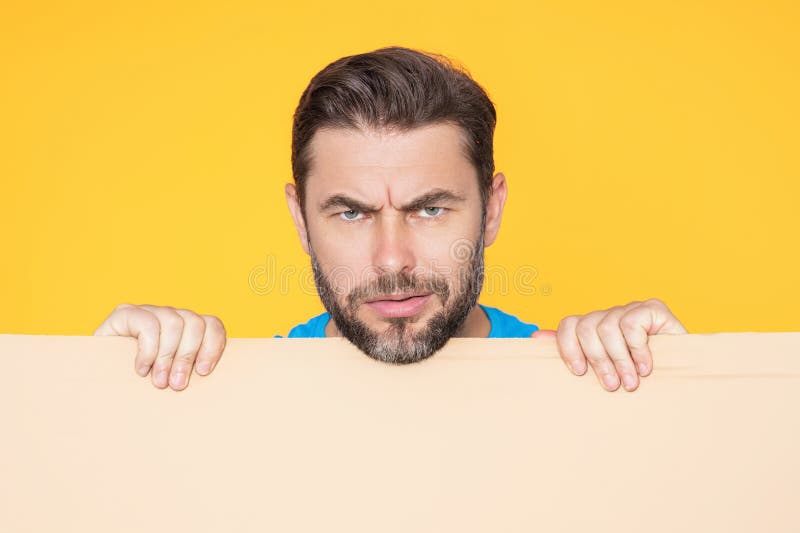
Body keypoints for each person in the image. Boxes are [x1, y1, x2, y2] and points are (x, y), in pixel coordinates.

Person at [94, 46, 688, 393]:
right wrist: (98, 386)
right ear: (301, 221)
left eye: (429, 209)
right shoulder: (238, 388)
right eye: (351, 212)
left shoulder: (578, 379)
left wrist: (680, 385)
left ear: (492, 210)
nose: (392, 259)